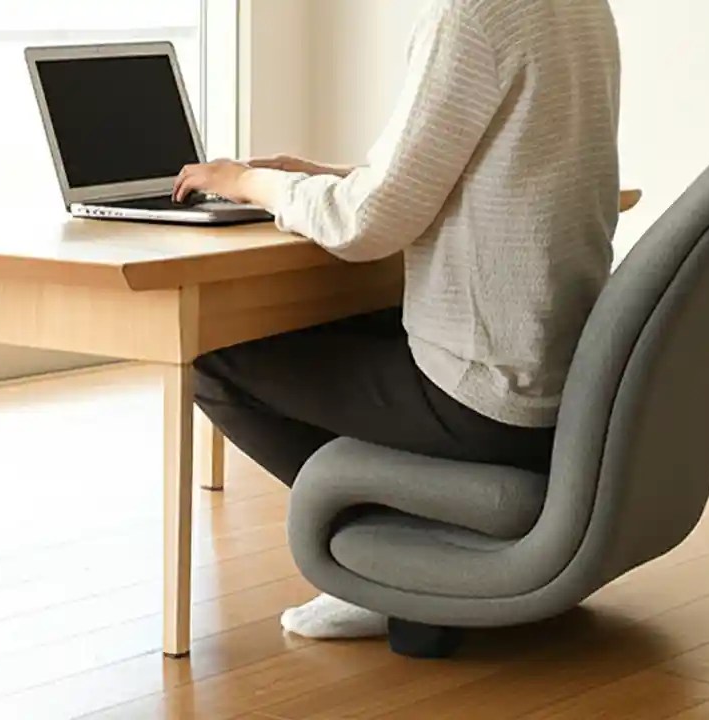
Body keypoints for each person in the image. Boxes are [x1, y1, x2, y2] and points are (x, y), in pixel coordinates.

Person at [174, 0, 622, 640]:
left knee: (211, 354)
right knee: (338, 322)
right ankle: (408, 550)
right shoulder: (580, 8)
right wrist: (322, 176)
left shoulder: (468, 17)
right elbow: (464, 170)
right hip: (555, 387)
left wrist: (249, 183)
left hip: (481, 399)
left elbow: (364, 224)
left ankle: (389, 568)